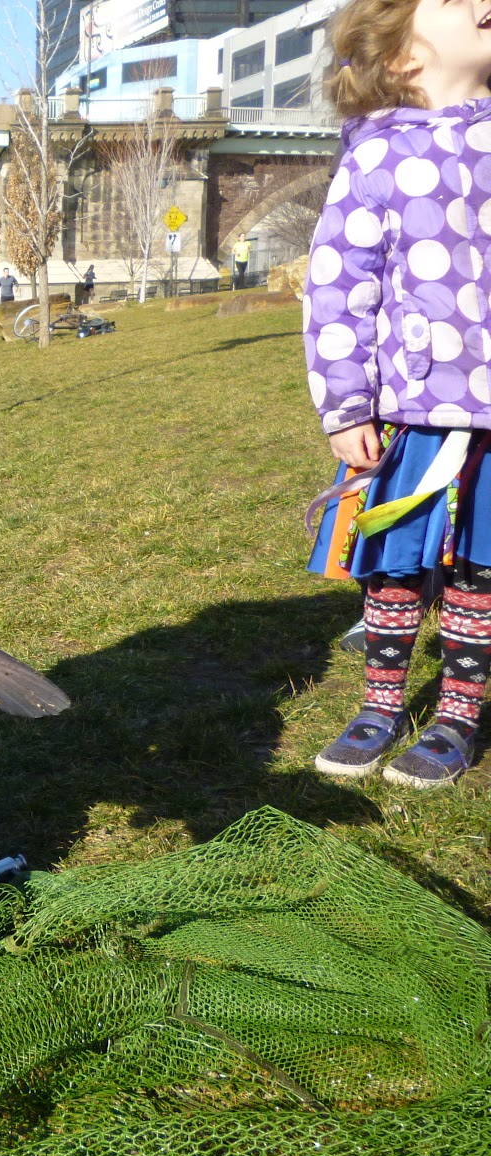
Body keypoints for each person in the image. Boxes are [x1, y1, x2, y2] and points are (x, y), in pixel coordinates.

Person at [305, 0, 491, 788]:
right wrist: (346, 404)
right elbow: (338, 284)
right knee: (394, 564)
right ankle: (381, 703)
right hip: (410, 413)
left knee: (481, 571)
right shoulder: (377, 156)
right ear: (401, 55)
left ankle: (457, 716)